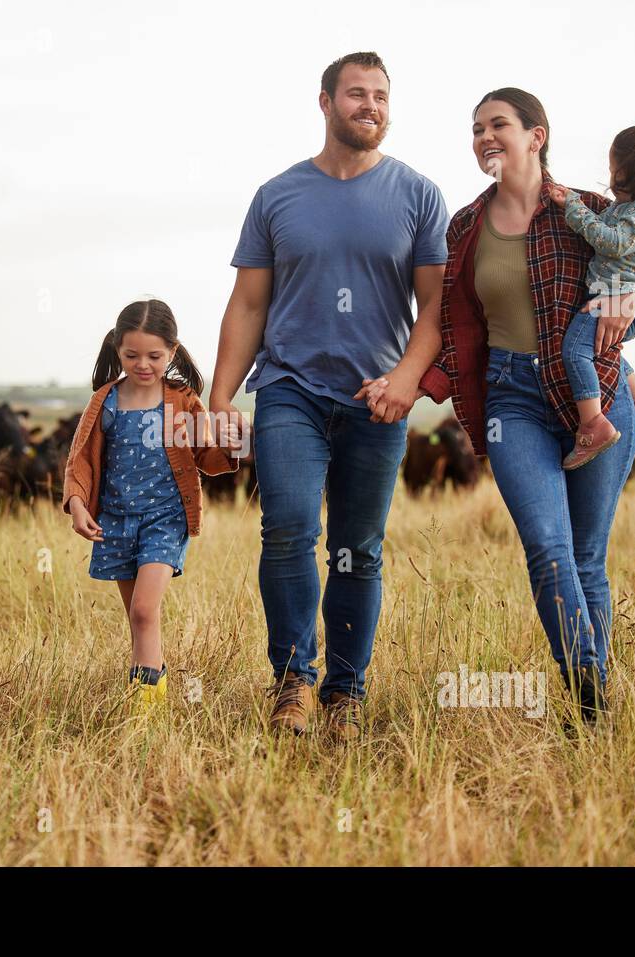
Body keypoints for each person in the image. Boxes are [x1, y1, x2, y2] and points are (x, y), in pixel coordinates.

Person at [365, 88, 635, 728]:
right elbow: (441, 319)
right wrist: (408, 380)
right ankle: (591, 689)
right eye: (477, 128)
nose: (485, 137)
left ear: (536, 136)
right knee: (547, 549)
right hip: (510, 398)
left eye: (499, 125)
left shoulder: (593, 211)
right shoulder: (463, 227)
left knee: (588, 558)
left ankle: (589, 718)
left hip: (594, 393)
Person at [208, 52, 449, 740]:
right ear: (325, 102)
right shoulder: (277, 195)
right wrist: (220, 398)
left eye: (380, 96)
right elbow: (249, 304)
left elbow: (435, 306)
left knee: (357, 549)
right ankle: (292, 682)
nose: (369, 105)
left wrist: (405, 381)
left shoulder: (418, 194)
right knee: (286, 526)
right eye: (355, 94)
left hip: (378, 400)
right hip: (290, 391)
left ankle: (346, 692)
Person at [62, 299, 241, 716]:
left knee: (145, 610)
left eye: (154, 356)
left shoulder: (182, 400)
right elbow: (82, 460)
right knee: (138, 618)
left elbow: (207, 457)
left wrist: (233, 444)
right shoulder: (104, 400)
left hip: (165, 519)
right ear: (117, 351)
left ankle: (145, 712)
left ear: (173, 352)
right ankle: (148, 692)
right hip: (116, 520)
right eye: (131, 355)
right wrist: (75, 502)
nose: (143, 364)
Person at [549, 120, 635, 468]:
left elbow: (612, 241)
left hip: (615, 299)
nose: (610, 178)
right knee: (600, 350)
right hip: (618, 297)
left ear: (632, 171)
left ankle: (592, 424)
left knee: (575, 351)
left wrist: (575, 208)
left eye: (613, 170)